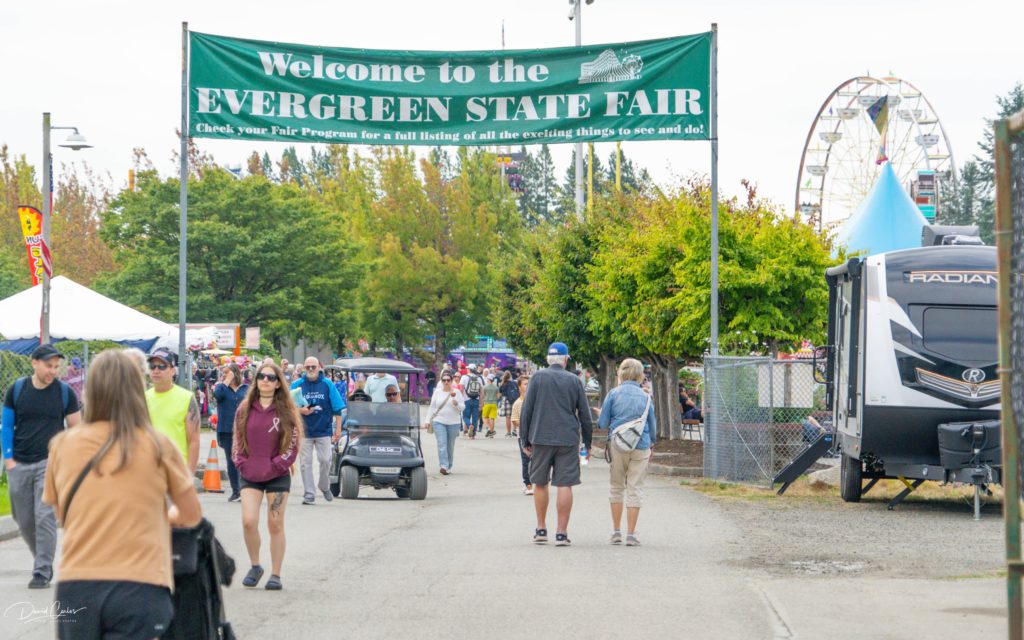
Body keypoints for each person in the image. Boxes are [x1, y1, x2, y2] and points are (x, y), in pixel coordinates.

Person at [43, 349, 202, 637]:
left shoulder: (62, 445)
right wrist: (158, 514)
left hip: (78, 584)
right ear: (136, 389)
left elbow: (62, 514)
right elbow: (190, 514)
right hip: (141, 583)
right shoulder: (158, 444)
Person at [1, 343, 82, 588]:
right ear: (34, 363)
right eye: (49, 366)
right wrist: (9, 460)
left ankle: (42, 571)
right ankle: (42, 558)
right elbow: (6, 426)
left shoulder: (65, 393)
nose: (53, 371)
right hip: (19, 463)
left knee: (44, 515)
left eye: (56, 367)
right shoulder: (17, 390)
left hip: (50, 463)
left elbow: (77, 430)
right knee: (23, 519)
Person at [234, 361, 302, 591]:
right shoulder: (244, 409)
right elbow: (237, 442)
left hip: (277, 475)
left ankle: (275, 573)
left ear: (278, 384)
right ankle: (255, 566)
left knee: (275, 524)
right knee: (248, 521)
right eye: (261, 376)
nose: (265, 380)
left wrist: (276, 465)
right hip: (250, 474)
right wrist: (241, 462)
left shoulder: (287, 412)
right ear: (255, 380)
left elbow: (292, 447)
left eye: (271, 378)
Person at [519, 342, 593, 547]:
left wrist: (524, 439)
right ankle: (561, 533)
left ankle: (541, 529)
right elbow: (585, 415)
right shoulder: (574, 381)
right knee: (565, 483)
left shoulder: (537, 378)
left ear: (547, 359)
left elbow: (527, 411)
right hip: (567, 438)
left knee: (540, 482)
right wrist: (588, 442)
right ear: (566, 359)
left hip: (540, 437)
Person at [597, 358, 656, 547]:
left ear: (621, 374)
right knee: (635, 489)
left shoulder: (613, 394)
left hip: (617, 445)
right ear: (640, 375)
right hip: (641, 444)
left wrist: (601, 415)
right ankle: (631, 534)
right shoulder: (646, 397)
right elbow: (652, 427)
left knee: (616, 487)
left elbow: (603, 423)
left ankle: (616, 532)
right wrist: (651, 444)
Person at [291, 357, 345, 505]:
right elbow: (287, 407)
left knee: (325, 460)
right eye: (307, 367)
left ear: (319, 368)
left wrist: (338, 430)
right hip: (304, 431)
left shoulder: (327, 384)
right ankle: (309, 493)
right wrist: (301, 410)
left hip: (323, 430)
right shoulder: (297, 385)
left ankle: (324, 485)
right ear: (303, 369)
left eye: (313, 367)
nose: (310, 370)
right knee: (305, 463)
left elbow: (337, 408)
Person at [145, 348, 200, 474]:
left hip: (176, 471)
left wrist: (189, 473)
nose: (156, 371)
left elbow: (194, 440)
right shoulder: (143, 398)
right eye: (152, 366)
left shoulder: (186, 398)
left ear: (173, 371)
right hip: (149, 470)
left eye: (162, 366)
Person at [214, 364, 249, 502]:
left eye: (227, 372)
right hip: (227, 430)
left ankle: (246, 489)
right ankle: (236, 491)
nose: (224, 375)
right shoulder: (220, 387)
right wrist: (226, 381)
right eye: (222, 373)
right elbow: (217, 396)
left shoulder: (246, 389)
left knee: (243, 459)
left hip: (243, 429)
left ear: (235, 373)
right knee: (231, 460)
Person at [425, 373, 464, 475]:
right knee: (442, 444)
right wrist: (427, 421)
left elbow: (463, 407)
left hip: (454, 422)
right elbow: (432, 407)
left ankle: (449, 466)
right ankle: (444, 465)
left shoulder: (457, 392)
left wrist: (457, 404)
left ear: (452, 381)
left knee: (449, 446)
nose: (446, 382)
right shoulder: (437, 392)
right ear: (441, 381)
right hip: (439, 421)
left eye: (448, 380)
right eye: (444, 380)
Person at [510, 375, 532, 495]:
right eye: (524, 384)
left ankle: (538, 483)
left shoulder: (536, 401)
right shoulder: (518, 403)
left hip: (536, 435)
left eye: (529, 384)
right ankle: (528, 484)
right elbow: (514, 420)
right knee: (526, 460)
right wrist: (527, 425)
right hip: (523, 436)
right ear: (519, 387)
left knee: (538, 460)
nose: (527, 386)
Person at [460, 364, 484, 438]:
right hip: (476, 400)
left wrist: (460, 399)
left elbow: (461, 389)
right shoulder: (479, 378)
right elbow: (482, 392)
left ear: (469, 369)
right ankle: (473, 435)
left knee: (465, 417)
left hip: (466, 400)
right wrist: (481, 403)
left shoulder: (464, 377)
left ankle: (469, 425)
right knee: (475, 417)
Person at [499, 371, 519, 437]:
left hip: (506, 400)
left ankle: (508, 432)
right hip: (515, 400)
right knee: (515, 416)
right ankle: (515, 430)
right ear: (510, 376)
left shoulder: (503, 384)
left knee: (508, 417)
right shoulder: (515, 383)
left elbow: (500, 393)